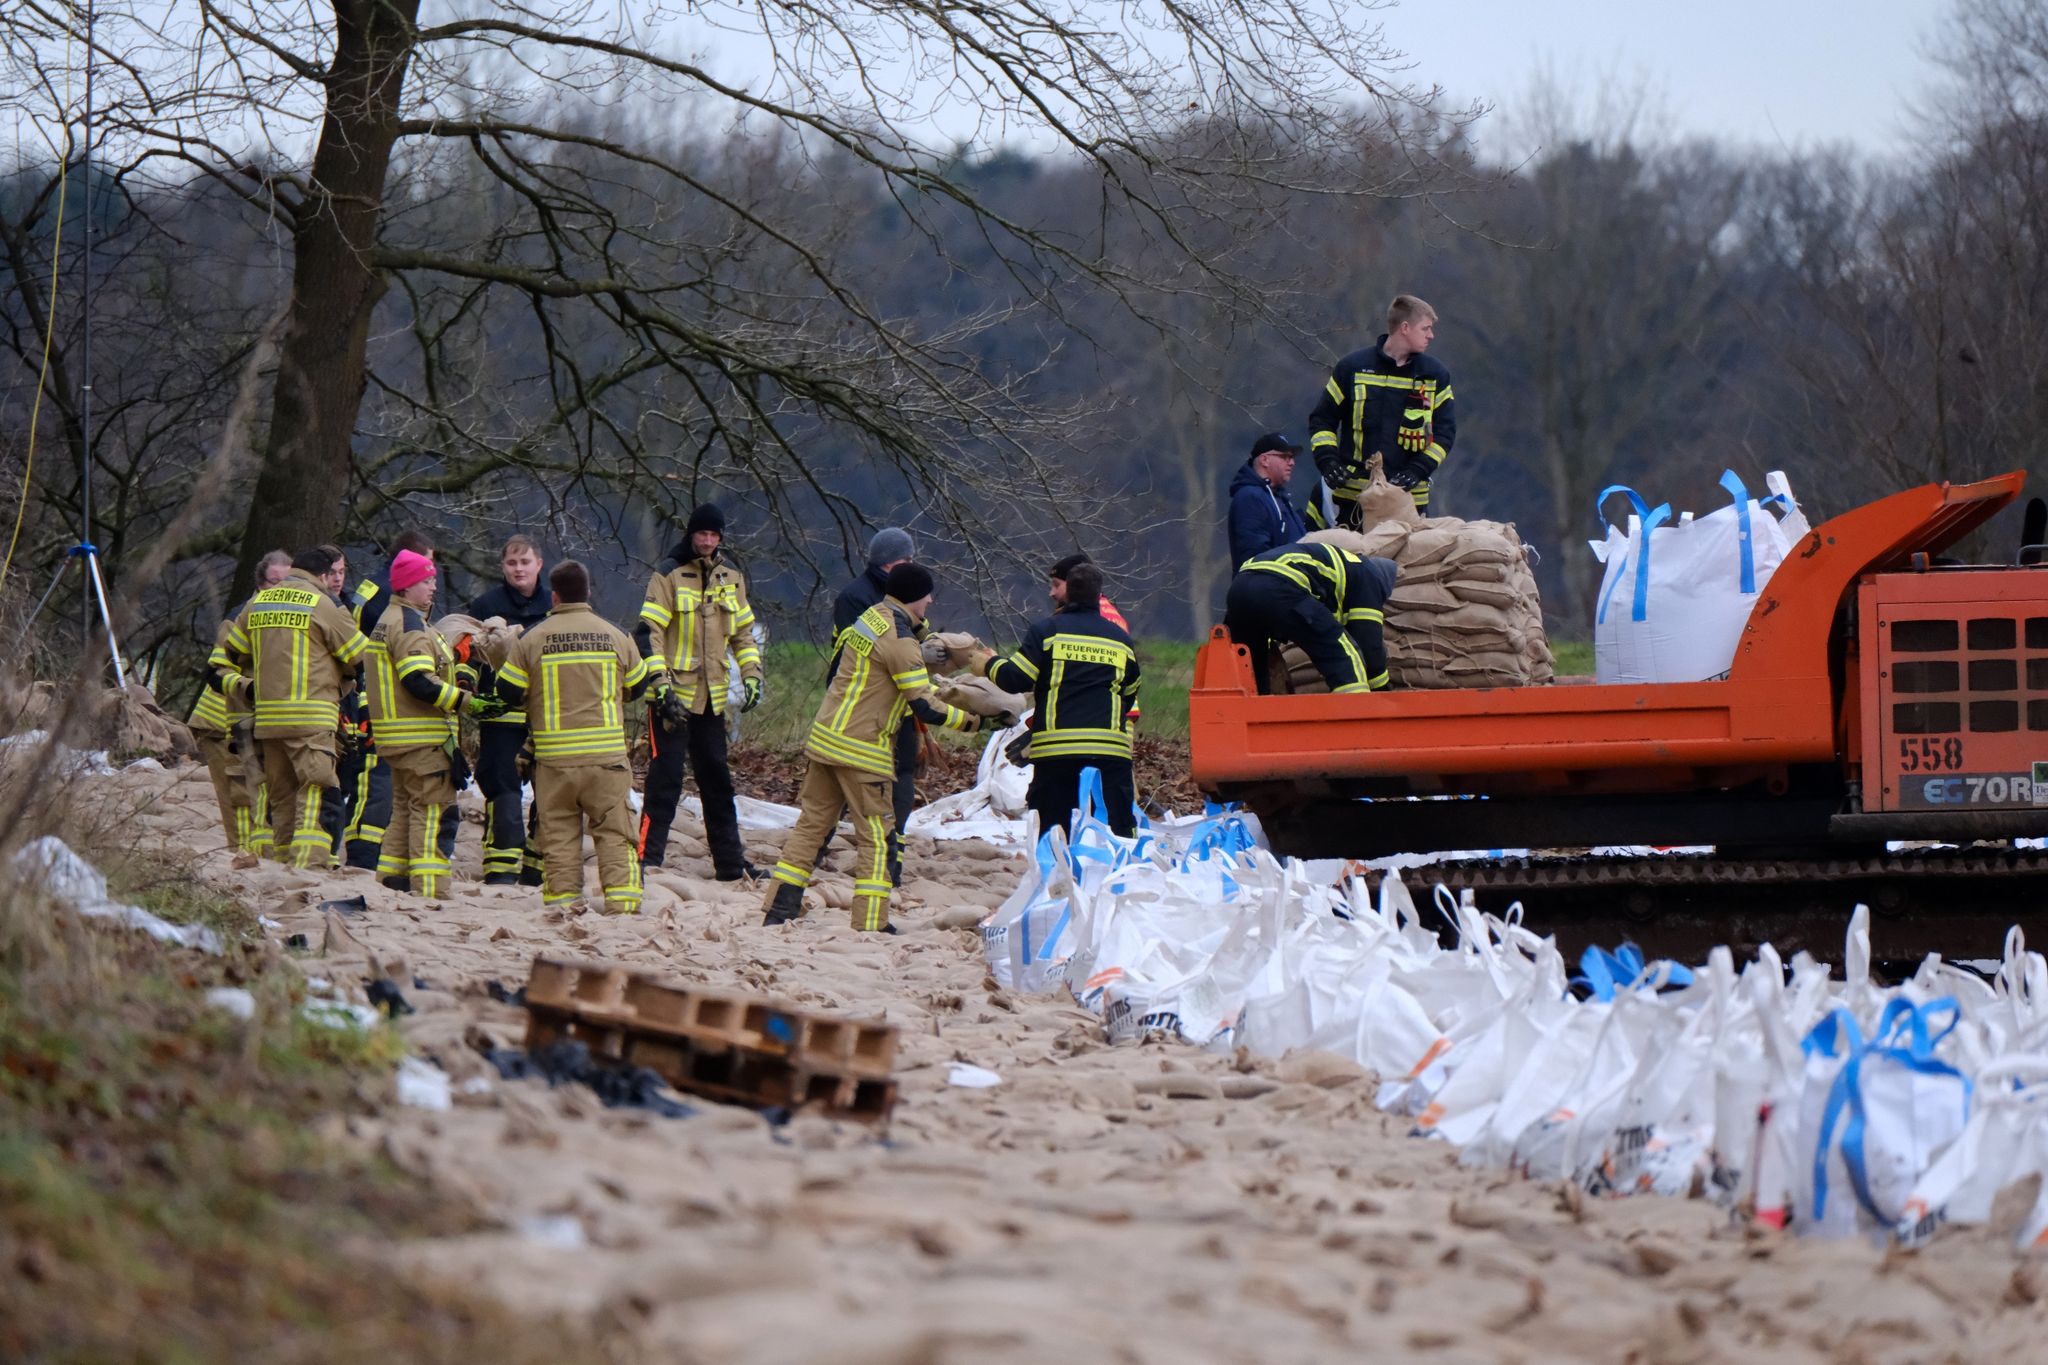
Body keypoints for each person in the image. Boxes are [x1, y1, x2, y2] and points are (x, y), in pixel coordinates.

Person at [763, 563, 983, 932]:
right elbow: (924, 705)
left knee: (810, 829)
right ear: (914, 597)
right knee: (878, 839)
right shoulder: (900, 641)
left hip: (826, 740)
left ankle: (777, 910)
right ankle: (871, 925)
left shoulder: (871, 617)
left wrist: (924, 645)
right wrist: (977, 722)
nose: (931, 600)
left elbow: (888, 664)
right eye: (927, 594)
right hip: (862, 750)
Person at [496, 560, 655, 914]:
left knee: (560, 838)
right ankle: (624, 909)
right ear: (588, 593)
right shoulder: (616, 634)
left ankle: (565, 907)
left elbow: (507, 691)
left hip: (554, 764)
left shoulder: (531, 638)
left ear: (554, 596)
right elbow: (637, 685)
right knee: (615, 835)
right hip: (607, 762)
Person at [209, 545, 372, 868]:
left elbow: (224, 660)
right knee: (316, 792)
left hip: (269, 719)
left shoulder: (257, 603)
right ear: (322, 576)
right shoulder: (324, 604)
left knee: (280, 797)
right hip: (312, 718)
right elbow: (359, 655)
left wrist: (248, 687)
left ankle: (280, 864)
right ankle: (310, 868)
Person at [634, 503, 763, 879]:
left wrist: (752, 673)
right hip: (672, 699)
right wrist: (659, 685)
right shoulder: (669, 574)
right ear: (690, 535)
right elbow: (648, 634)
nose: (707, 541)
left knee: (718, 781)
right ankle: (647, 859)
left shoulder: (731, 576)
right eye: (701, 534)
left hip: (712, 698)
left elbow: (743, 633)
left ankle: (730, 864)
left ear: (720, 537)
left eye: (713, 535)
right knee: (665, 779)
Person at [362, 550, 501, 897]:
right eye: (426, 581)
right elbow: (418, 681)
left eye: (434, 580)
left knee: (404, 813)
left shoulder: (388, 619)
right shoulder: (409, 625)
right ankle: (430, 889)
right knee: (432, 815)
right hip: (421, 739)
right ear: (407, 585)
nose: (433, 587)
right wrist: (467, 702)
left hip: (395, 738)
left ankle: (391, 883)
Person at [970, 561, 1142, 838]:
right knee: (1117, 834)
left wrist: (988, 664)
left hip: (1057, 755)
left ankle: (1057, 880)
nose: (1051, 594)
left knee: (1053, 834)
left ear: (1069, 592)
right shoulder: (1120, 640)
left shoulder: (1047, 633)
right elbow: (1130, 690)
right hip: (1110, 757)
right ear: (1099, 596)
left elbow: (1016, 679)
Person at [1305, 294, 1457, 526]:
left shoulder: (1435, 375)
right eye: (1425, 328)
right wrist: (1328, 462)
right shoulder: (1352, 368)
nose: (1431, 335)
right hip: (1352, 500)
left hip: (1408, 501)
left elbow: (1445, 434)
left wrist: (1418, 470)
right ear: (1405, 327)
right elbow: (1322, 421)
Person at [826, 527, 920, 886]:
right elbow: (862, 654)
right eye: (905, 560)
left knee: (902, 782)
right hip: (861, 709)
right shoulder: (855, 597)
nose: (909, 566)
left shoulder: (905, 594)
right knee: (841, 786)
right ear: (887, 562)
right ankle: (820, 848)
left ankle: (892, 860)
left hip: (901, 708)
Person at [341, 529, 438, 871]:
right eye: (426, 565)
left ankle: (367, 852)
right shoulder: (393, 604)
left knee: (367, 777)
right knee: (377, 780)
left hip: (359, 691)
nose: (431, 578)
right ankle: (364, 855)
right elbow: (411, 665)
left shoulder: (369, 587)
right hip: (381, 700)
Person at [188, 550, 290, 854]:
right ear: (260, 583)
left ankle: (253, 856)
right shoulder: (240, 617)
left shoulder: (279, 617)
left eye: (288, 583)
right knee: (239, 797)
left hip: (250, 722)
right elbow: (217, 672)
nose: (281, 591)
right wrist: (253, 690)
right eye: (275, 583)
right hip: (220, 722)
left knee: (257, 794)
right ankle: (241, 858)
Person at [465, 535, 551, 884]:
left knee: (548, 792)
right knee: (502, 788)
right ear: (502, 567)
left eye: (525, 562)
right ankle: (501, 871)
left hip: (545, 717)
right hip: (500, 716)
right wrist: (466, 685)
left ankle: (536, 871)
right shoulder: (486, 605)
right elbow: (466, 653)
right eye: (512, 563)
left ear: (539, 565)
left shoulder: (553, 604)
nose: (519, 569)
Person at [1223, 540, 1396, 695]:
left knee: (1252, 668)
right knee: (1341, 652)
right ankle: (1358, 718)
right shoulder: (1369, 577)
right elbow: (1368, 642)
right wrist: (1381, 691)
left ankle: (1254, 722)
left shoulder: (1346, 568)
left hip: (1239, 588)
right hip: (1277, 586)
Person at [1227, 432, 1308, 568]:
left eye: (1292, 457)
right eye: (1285, 457)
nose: (1292, 463)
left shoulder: (1278, 498)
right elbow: (1256, 560)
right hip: (1270, 586)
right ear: (1264, 460)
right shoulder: (1250, 497)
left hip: (1289, 585)